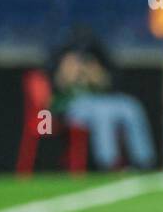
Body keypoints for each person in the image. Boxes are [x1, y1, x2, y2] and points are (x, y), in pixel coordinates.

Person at [51, 26, 156, 171]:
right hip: (70, 106)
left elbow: (110, 84)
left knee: (130, 106)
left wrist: (96, 76)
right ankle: (108, 163)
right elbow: (52, 91)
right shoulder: (62, 56)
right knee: (103, 112)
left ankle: (143, 161)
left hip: (100, 99)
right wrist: (68, 74)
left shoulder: (97, 57)